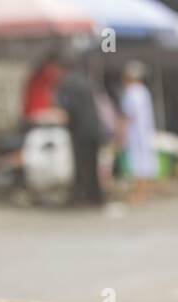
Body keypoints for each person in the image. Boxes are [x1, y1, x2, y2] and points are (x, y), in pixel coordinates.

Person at [56, 58, 105, 206]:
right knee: (92, 165)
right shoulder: (86, 81)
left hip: (80, 131)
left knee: (81, 165)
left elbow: (68, 108)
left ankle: (80, 196)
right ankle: (95, 197)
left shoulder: (68, 83)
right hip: (94, 129)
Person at [119, 61, 157, 204]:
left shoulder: (131, 92)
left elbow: (128, 115)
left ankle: (139, 195)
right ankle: (143, 194)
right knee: (144, 163)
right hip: (145, 132)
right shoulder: (144, 91)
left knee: (137, 164)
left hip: (135, 134)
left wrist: (120, 132)